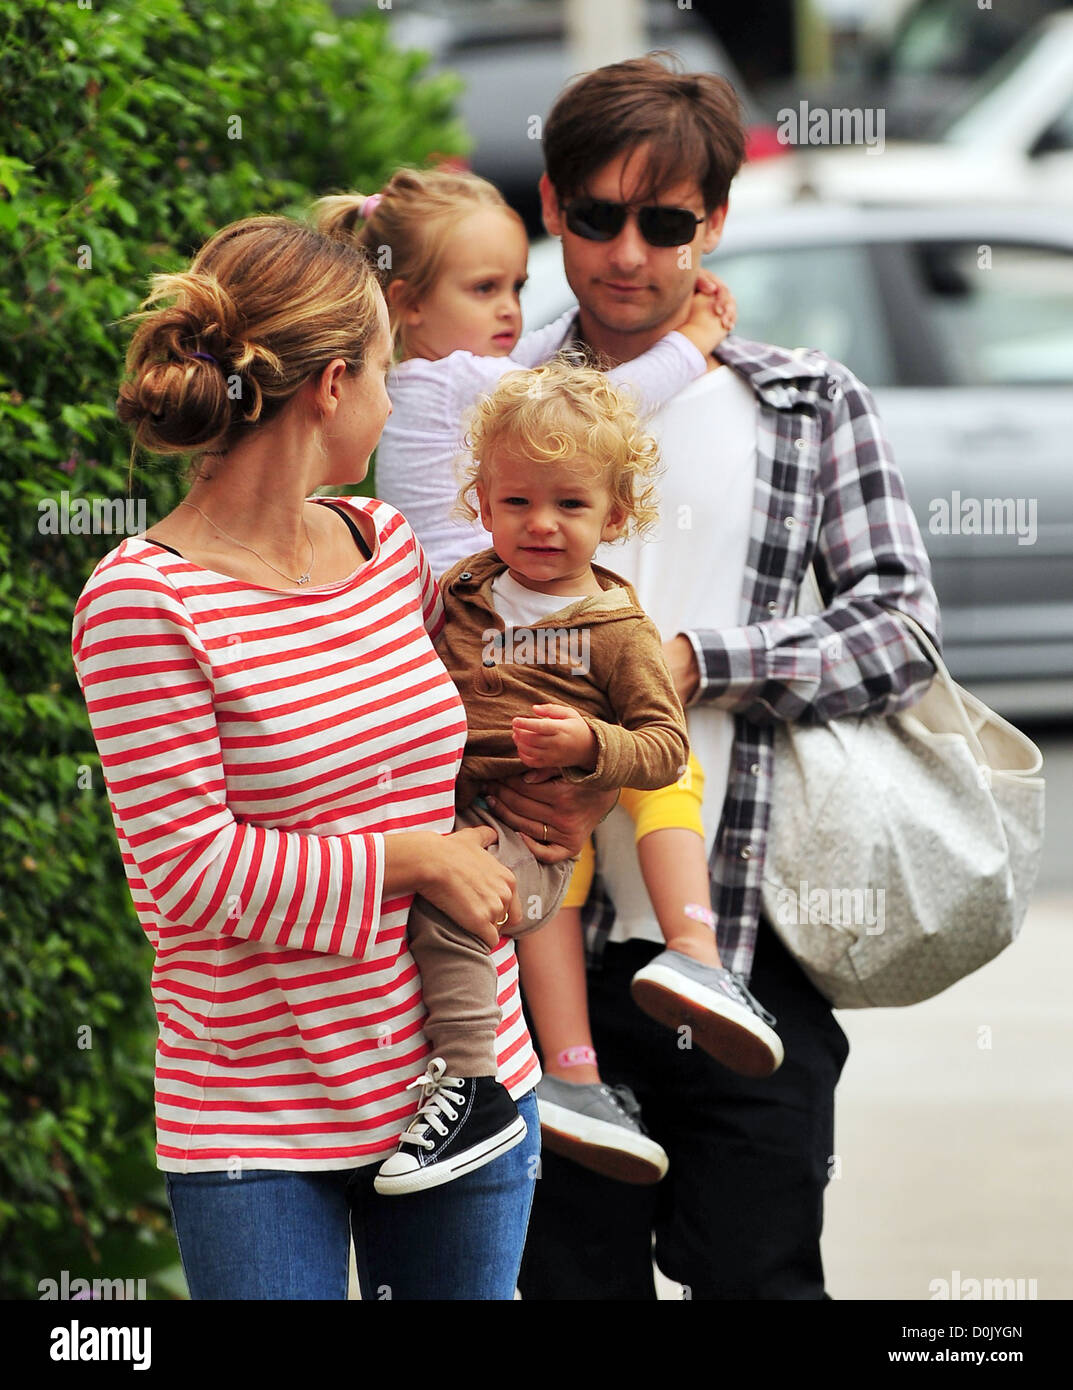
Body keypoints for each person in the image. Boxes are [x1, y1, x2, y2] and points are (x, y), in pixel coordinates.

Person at [70, 214, 616, 1300]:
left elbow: (464, 741)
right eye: (382, 371)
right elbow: (184, 874)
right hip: (258, 1118)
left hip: (463, 1085)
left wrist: (570, 787)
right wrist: (412, 861)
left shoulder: (384, 545)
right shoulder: (146, 601)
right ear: (330, 385)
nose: (392, 395)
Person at [510, 55, 943, 1300]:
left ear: (714, 221)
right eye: (594, 216)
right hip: (545, 947)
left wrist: (702, 663)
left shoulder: (804, 403)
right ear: (551, 205)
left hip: (748, 950)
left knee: (761, 1279)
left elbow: (898, 627)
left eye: (665, 222)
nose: (626, 254)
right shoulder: (499, 410)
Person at [315, 172, 784, 1187]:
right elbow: (596, 409)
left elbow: (537, 377)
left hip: (480, 652)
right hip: (496, 637)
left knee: (532, 850)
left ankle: (561, 1062)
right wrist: (690, 347)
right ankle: (683, 957)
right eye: (484, 290)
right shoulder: (447, 388)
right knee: (600, 795)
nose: (512, 316)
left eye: (514, 288)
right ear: (404, 307)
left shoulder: (444, 378)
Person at [312, 166, 736, 580]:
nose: (508, 308)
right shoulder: (454, 381)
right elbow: (604, 402)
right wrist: (695, 337)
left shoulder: (429, 374)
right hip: (471, 604)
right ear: (412, 304)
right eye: (485, 288)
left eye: (517, 287)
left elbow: (539, 355)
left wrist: (641, 295)